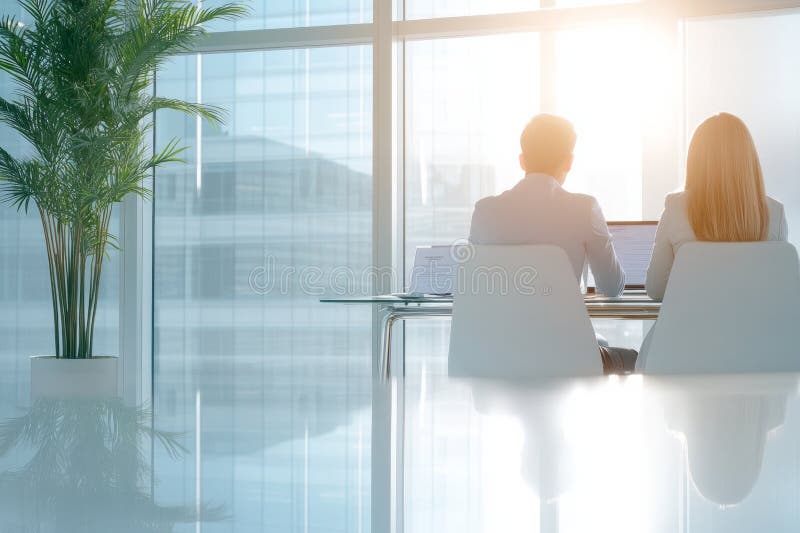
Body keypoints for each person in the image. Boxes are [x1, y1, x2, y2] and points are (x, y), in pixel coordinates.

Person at [468, 113, 636, 373]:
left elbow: (474, 287)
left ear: (522, 160)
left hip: (498, 357)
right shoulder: (584, 208)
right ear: (569, 161)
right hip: (567, 356)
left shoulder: (484, 211)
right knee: (636, 359)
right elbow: (612, 287)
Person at [640, 113, 789, 366]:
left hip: (682, 352)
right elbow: (776, 293)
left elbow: (655, 289)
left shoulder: (676, 208)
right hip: (753, 354)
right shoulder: (774, 213)